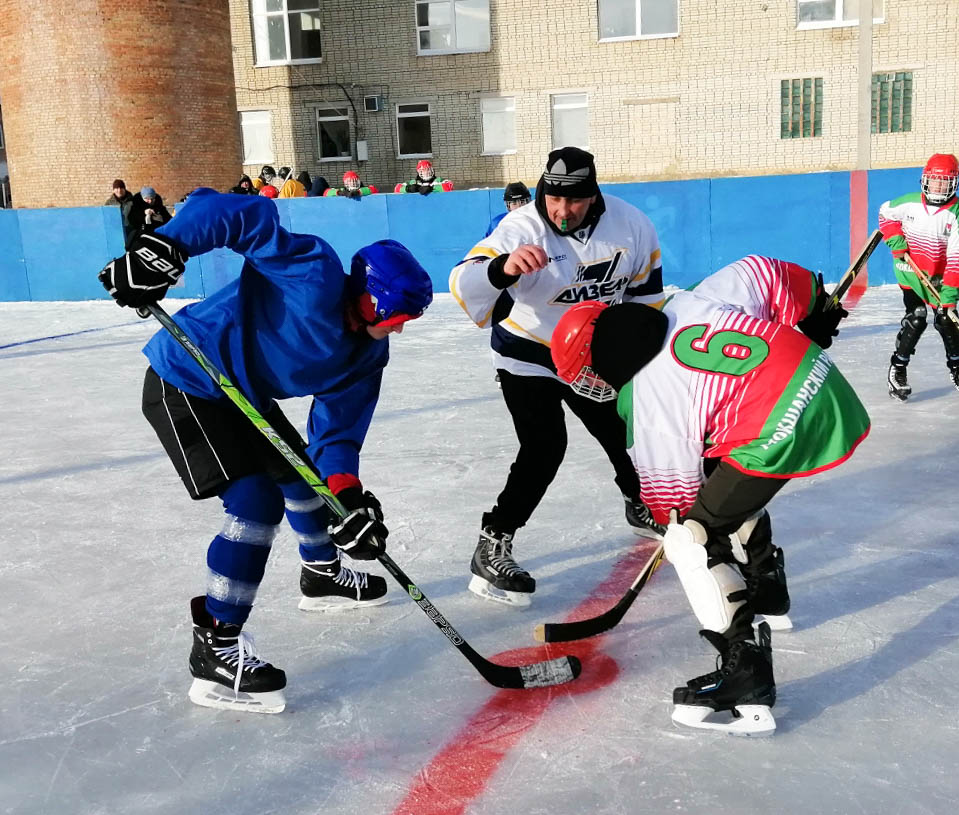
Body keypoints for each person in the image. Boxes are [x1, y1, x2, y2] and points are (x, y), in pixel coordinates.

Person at [97, 188, 434, 714]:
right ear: (371, 295)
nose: (399, 327)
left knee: (306, 480)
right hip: (188, 374)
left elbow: (337, 436)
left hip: (244, 393)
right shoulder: (313, 274)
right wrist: (163, 247)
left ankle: (321, 572)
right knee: (256, 502)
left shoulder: (368, 355)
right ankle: (216, 644)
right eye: (396, 314)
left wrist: (349, 499)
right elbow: (239, 213)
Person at [549, 255, 868, 734]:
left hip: (784, 428)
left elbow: (675, 509)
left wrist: (685, 526)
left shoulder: (647, 402)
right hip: (825, 387)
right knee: (724, 474)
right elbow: (766, 271)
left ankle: (744, 673)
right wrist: (816, 308)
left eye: (589, 374)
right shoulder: (687, 300)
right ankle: (767, 584)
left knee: (691, 539)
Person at [449, 147, 666, 608]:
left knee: (625, 431)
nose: (562, 211)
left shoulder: (632, 225)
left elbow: (647, 300)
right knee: (545, 447)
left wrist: (634, 356)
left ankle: (639, 503)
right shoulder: (521, 226)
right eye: (553, 200)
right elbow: (461, 282)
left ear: (594, 197)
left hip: (592, 353)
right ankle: (493, 541)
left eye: (574, 202)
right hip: (528, 352)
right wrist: (502, 268)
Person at [878, 153, 959, 401]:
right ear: (925, 180)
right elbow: (885, 214)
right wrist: (896, 241)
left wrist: (950, 296)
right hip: (910, 272)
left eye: (945, 182)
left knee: (947, 319)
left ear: (954, 183)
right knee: (917, 317)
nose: (938, 186)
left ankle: (958, 371)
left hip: (939, 278)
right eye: (934, 180)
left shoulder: (958, 213)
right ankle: (897, 369)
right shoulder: (909, 203)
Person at [104, 179, 138, 248]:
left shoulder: (133, 201)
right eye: (116, 188)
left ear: (124, 189)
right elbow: (106, 217)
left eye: (121, 188)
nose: (119, 190)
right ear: (113, 190)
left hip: (131, 231)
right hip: (117, 231)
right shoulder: (109, 203)